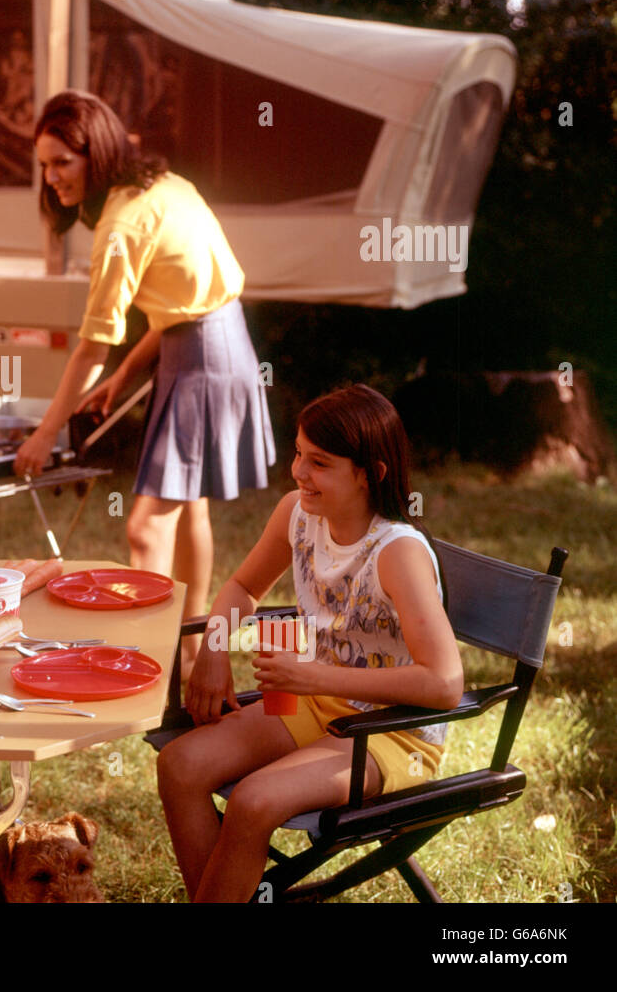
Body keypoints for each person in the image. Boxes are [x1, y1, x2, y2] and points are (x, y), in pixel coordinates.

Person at [155, 384, 464, 902]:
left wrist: (313, 676)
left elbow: (445, 683)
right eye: (298, 453)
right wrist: (212, 650)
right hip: (313, 705)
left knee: (253, 802)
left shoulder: (397, 553)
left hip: (391, 732)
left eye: (319, 463)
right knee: (180, 765)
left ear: (371, 474)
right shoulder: (297, 514)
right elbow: (243, 587)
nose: (299, 471)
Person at [14, 90, 275, 674]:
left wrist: (43, 435)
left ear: (95, 154)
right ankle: (188, 656)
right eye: (44, 166)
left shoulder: (118, 228)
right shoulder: (160, 185)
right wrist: (129, 373)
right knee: (191, 513)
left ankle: (150, 660)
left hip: (205, 357)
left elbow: (90, 347)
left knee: (144, 526)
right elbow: (183, 302)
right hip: (211, 344)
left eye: (62, 163)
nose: (52, 178)